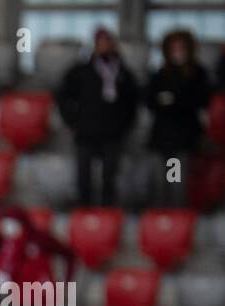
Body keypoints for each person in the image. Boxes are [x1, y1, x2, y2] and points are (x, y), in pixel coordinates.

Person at [56, 28, 139, 207]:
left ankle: (107, 217)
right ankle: (84, 217)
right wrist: (71, 121)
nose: (104, 46)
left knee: (110, 175)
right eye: (100, 42)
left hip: (113, 133)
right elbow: (62, 97)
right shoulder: (80, 71)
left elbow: (132, 103)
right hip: (86, 131)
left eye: (107, 41)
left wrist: (124, 125)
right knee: (83, 176)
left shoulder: (123, 73)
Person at [145, 30, 212, 208]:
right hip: (163, 139)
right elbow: (151, 100)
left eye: (181, 47)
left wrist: (173, 101)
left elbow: (200, 100)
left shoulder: (197, 74)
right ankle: (162, 220)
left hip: (182, 140)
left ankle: (176, 217)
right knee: (162, 181)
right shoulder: (161, 74)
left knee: (176, 181)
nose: (177, 51)